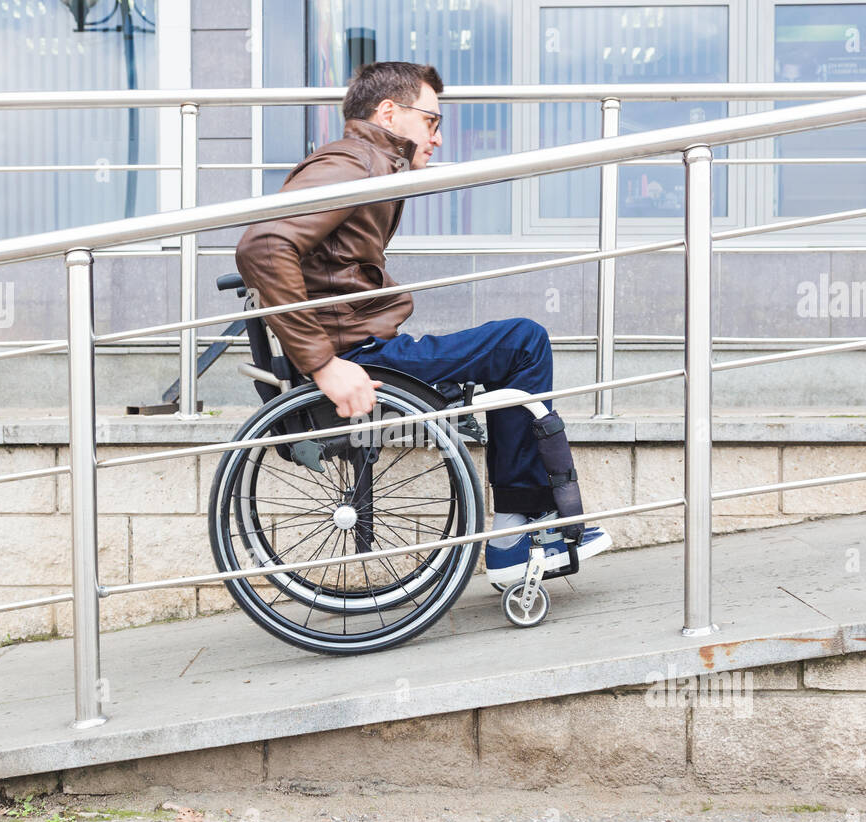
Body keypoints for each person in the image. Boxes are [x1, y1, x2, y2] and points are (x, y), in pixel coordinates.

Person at [234, 60, 610, 585]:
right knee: (524, 343)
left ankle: (519, 527)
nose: (437, 137)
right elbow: (263, 244)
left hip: (361, 344)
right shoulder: (356, 161)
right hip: (360, 356)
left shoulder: (372, 165)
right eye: (431, 121)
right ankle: (512, 537)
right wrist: (324, 366)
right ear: (389, 112)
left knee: (514, 349)